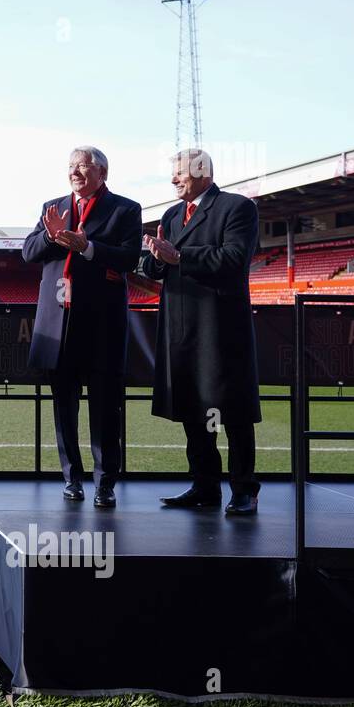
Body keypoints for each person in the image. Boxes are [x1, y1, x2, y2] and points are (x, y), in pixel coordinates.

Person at [142, 149, 261, 514]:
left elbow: (234, 259)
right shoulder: (172, 215)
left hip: (220, 329)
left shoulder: (236, 207)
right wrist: (156, 258)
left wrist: (178, 257)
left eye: (180, 173)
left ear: (203, 172)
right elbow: (155, 268)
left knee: (233, 412)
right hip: (180, 330)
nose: (174, 179)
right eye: (173, 173)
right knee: (192, 409)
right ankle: (204, 486)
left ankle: (244, 490)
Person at [22, 146, 143, 507]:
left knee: (105, 406)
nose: (76, 171)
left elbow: (129, 257)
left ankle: (105, 483)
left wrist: (88, 247)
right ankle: (71, 478)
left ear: (102, 173)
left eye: (85, 166)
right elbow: (28, 252)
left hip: (102, 323)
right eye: (72, 166)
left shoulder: (125, 208)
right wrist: (51, 237)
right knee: (64, 406)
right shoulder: (53, 206)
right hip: (59, 324)